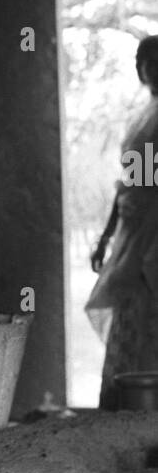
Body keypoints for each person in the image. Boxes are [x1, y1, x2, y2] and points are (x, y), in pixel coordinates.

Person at [87, 36, 158, 408]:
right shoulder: (142, 117)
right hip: (135, 227)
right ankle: (127, 408)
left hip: (154, 229)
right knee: (131, 308)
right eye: (145, 62)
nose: (151, 69)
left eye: (157, 61)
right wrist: (106, 235)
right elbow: (129, 182)